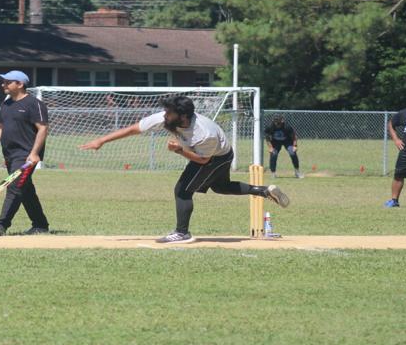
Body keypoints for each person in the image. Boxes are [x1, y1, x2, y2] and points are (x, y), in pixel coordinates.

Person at [79, 95, 290, 244]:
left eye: (169, 112)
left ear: (182, 116)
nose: (165, 115)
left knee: (182, 190)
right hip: (218, 154)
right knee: (221, 187)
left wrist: (180, 151)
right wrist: (101, 140)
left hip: (216, 157)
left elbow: (202, 159)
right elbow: (135, 128)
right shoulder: (166, 118)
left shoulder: (203, 132)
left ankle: (182, 233)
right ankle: (264, 191)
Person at [0, 70, 52, 236]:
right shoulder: (6, 104)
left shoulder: (34, 104)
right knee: (25, 189)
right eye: (3, 82)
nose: (3, 84)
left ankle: (2, 224)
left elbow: (43, 129)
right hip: (10, 155)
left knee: (15, 186)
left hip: (26, 156)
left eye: (7, 82)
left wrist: (34, 154)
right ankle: (40, 225)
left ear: (20, 84)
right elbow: (0, 127)